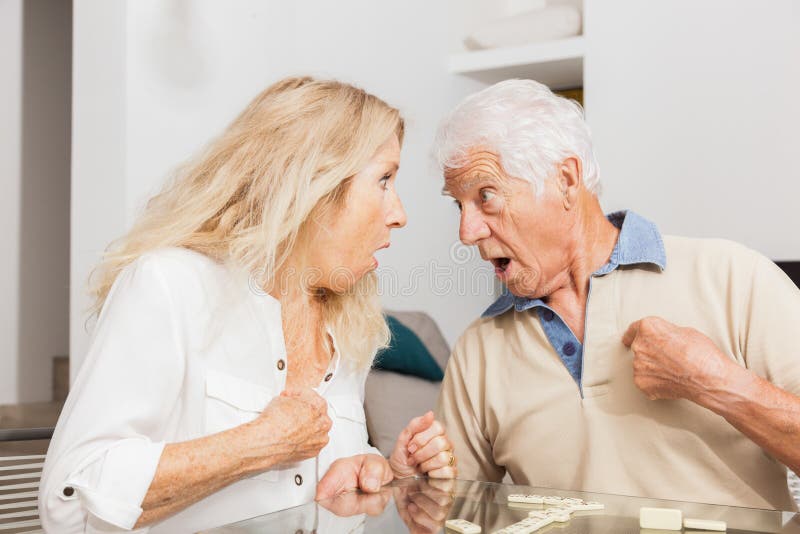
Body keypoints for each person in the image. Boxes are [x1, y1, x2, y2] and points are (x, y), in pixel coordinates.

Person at [39, 77, 457, 533]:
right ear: (313, 184)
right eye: (384, 180)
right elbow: (68, 501)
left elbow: (309, 490)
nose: (399, 213)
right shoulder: (170, 284)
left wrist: (376, 472)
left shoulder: (349, 324)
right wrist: (258, 444)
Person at [434, 79, 800, 510]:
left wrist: (715, 382)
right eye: (459, 205)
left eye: (486, 196)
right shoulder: (478, 349)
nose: (466, 232)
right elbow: (456, 514)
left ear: (565, 180)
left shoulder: (733, 277)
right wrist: (408, 476)